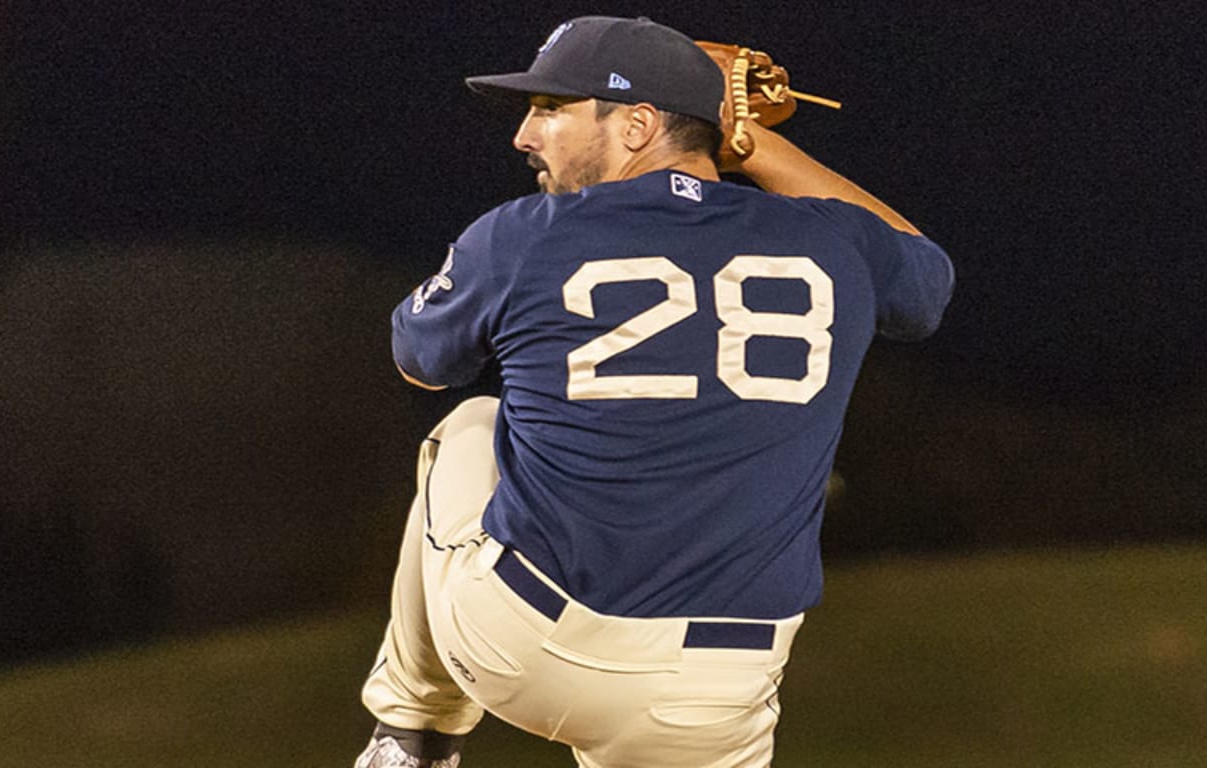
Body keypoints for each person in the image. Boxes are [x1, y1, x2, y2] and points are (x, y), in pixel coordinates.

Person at [353, 15, 953, 768]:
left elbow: (420, 361)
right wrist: (752, 141)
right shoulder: (833, 240)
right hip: (722, 693)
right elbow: (926, 277)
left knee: (470, 423)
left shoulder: (523, 234)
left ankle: (413, 737)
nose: (524, 136)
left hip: (528, 646)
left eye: (551, 109)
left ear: (637, 124)